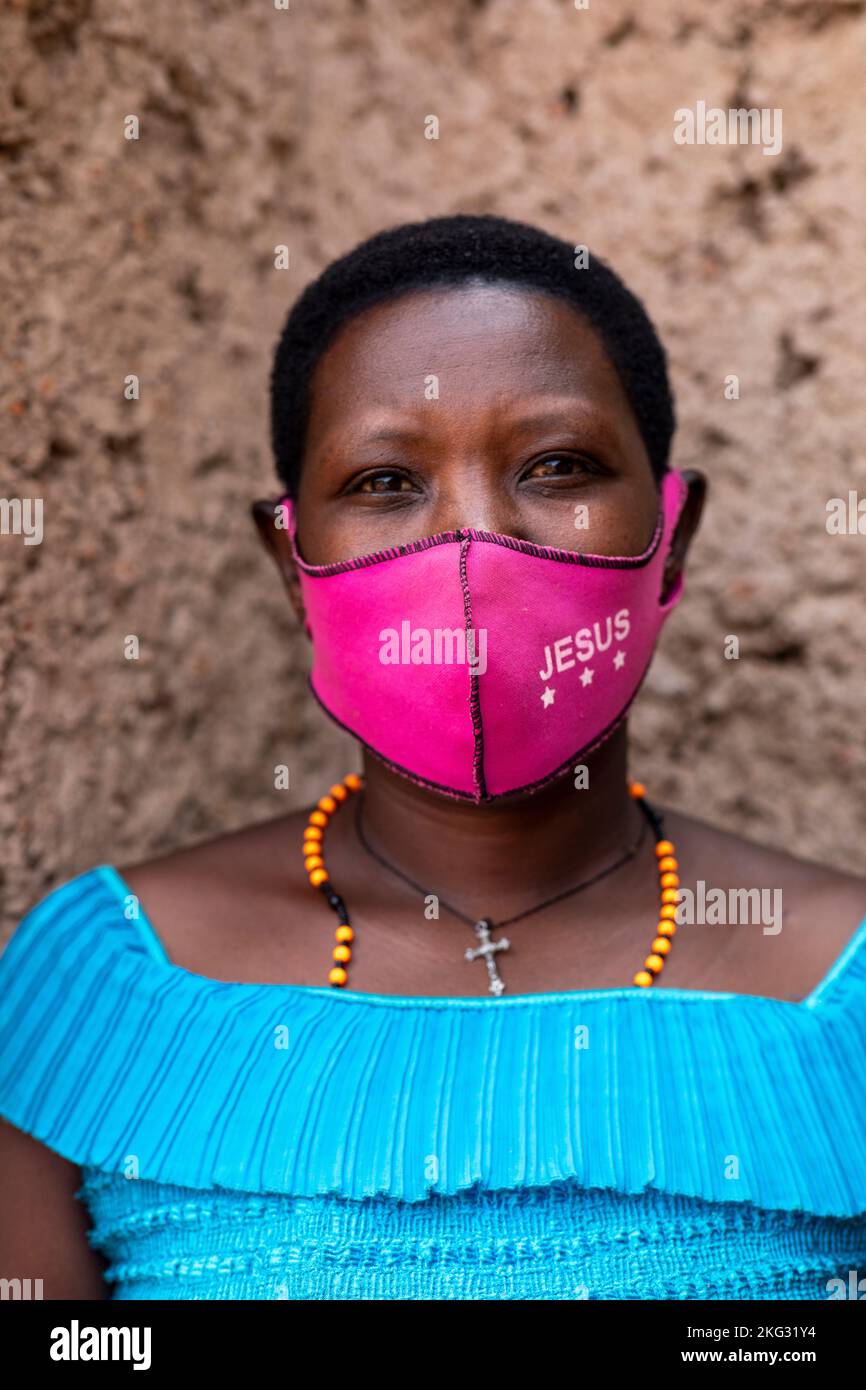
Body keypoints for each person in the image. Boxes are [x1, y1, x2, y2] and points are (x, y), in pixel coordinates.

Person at [1, 214, 865, 1300]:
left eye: (556, 465)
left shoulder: (845, 987)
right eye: (382, 482)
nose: (472, 546)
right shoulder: (107, 981)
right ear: (290, 562)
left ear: (671, 539)